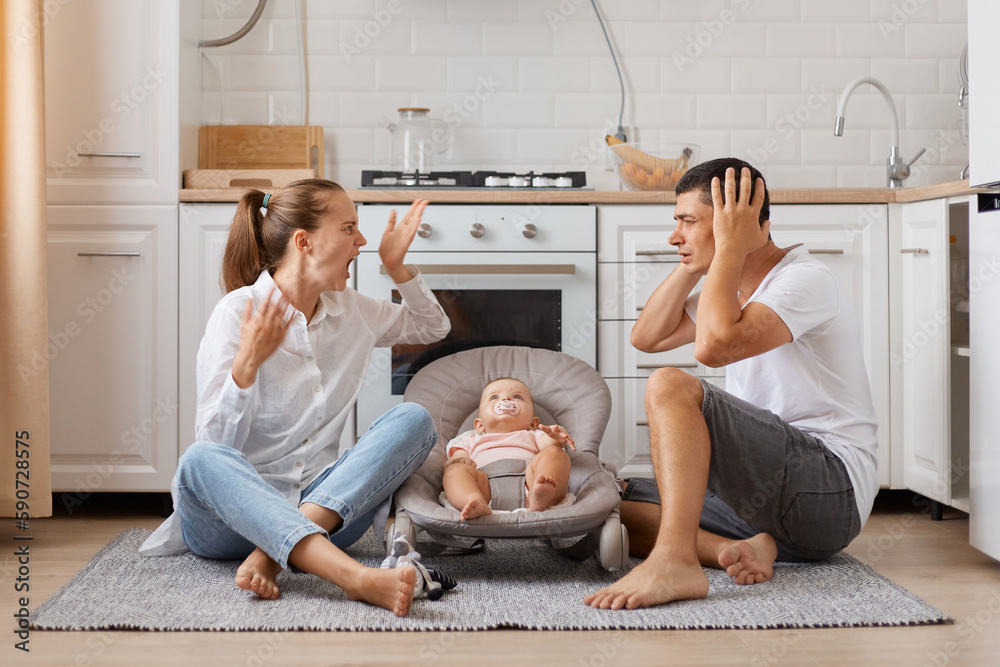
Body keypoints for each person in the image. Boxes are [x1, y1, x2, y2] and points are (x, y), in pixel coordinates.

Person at [139, 180, 451, 617]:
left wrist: (397, 268)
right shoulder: (238, 312)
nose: (361, 240)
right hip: (227, 524)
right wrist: (245, 368)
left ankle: (271, 554)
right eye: (348, 228)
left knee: (414, 420)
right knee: (198, 459)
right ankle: (354, 578)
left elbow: (432, 329)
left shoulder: (354, 310)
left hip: (322, 511)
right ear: (304, 241)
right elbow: (216, 450)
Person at [584, 159, 878, 610]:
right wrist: (694, 261)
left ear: (734, 223)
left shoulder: (804, 280)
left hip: (826, 493)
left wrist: (726, 250)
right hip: (766, 508)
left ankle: (675, 559)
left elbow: (713, 348)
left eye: (688, 222)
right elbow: (647, 336)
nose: (673, 235)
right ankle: (738, 549)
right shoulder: (734, 291)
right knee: (601, 507)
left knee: (669, 385)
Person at [443, 377, 576, 520]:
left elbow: (548, 444)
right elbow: (458, 458)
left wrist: (555, 437)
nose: (506, 399)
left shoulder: (533, 435)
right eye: (494, 397)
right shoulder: (471, 439)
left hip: (530, 482)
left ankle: (541, 497)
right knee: (454, 471)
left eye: (517, 397)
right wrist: (458, 461)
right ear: (479, 425)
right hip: (484, 486)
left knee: (556, 453)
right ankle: (473, 500)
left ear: (533, 423)